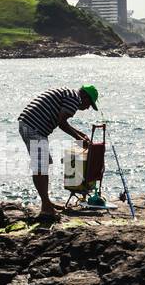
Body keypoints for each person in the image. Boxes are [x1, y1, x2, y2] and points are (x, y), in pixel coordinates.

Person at [18, 85, 99, 219]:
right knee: (40, 166)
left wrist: (80, 134)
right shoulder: (75, 99)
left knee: (44, 165)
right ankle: (46, 207)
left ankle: (47, 202)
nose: (87, 108)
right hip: (33, 126)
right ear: (85, 97)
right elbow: (62, 123)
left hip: (30, 124)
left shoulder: (70, 94)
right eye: (89, 104)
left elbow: (61, 120)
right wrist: (78, 138)